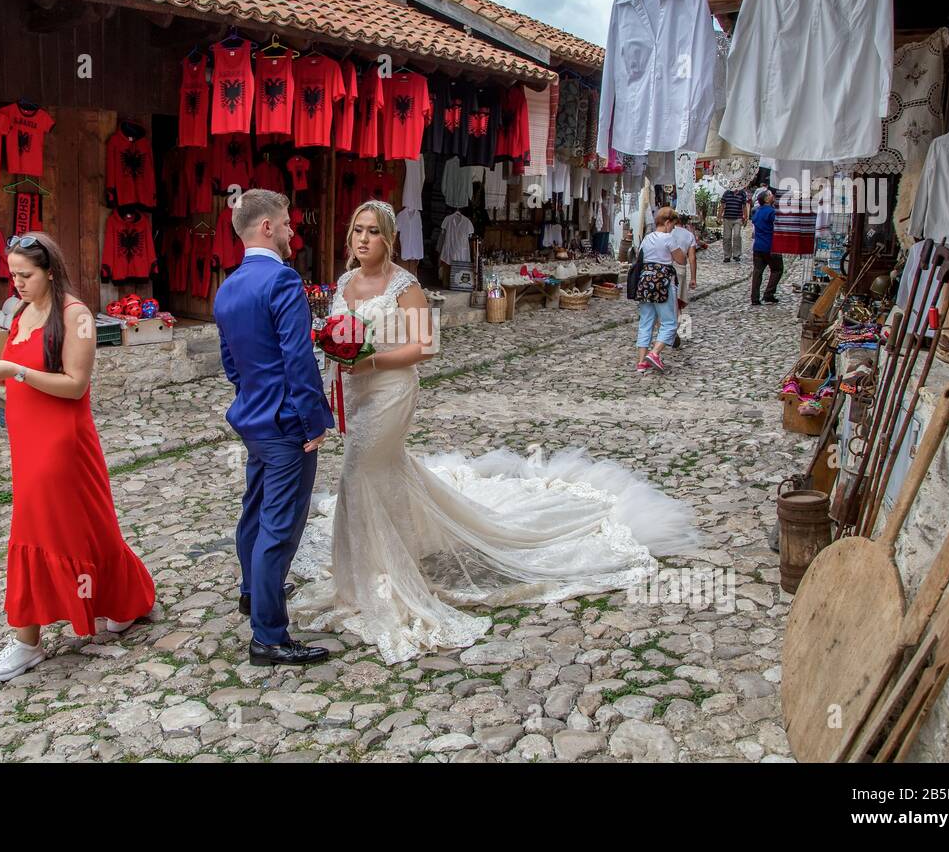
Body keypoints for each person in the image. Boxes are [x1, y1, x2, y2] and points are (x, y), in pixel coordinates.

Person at [288, 200, 697, 664]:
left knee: (358, 472)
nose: (363, 239)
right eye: (357, 231)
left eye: (373, 232)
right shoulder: (344, 282)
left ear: (389, 238)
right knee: (384, 472)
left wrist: (372, 360)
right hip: (356, 390)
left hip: (391, 390)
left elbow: (425, 347)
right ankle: (391, 549)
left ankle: (372, 575)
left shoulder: (406, 286)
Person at [0, 232, 156, 682]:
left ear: (49, 270)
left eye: (26, 275)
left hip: (60, 443)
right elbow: (16, 376)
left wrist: (14, 371)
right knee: (87, 527)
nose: (18, 284)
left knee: (35, 528)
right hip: (25, 439)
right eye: (12, 276)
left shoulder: (76, 315)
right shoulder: (24, 311)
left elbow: (75, 384)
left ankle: (26, 641)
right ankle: (123, 602)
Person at [214, 189, 335, 667]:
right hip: (286, 424)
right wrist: (314, 419)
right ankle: (268, 636)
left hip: (252, 418)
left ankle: (252, 593)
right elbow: (298, 359)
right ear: (266, 227)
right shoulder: (282, 282)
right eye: (285, 223)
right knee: (279, 528)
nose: (290, 231)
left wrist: (254, 397)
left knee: (254, 511)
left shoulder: (228, 287)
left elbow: (231, 363)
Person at [633, 208, 687, 374]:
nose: (672, 228)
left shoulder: (647, 238)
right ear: (667, 222)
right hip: (663, 282)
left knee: (646, 322)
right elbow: (681, 260)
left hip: (645, 281)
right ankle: (655, 353)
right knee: (670, 322)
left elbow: (639, 258)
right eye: (673, 225)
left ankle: (641, 362)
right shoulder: (668, 239)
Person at [751, 190, 784, 305]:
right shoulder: (771, 212)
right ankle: (769, 293)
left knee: (757, 272)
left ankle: (754, 298)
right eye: (770, 195)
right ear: (766, 199)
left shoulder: (757, 211)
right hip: (770, 245)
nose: (772, 196)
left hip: (758, 246)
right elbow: (778, 225)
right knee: (777, 269)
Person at [719, 186, 748, 263]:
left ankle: (736, 254)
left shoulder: (742, 193)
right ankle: (727, 255)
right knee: (726, 237)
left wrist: (745, 217)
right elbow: (722, 205)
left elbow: (744, 206)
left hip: (738, 218)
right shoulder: (726, 193)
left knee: (737, 236)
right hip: (727, 218)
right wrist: (719, 217)